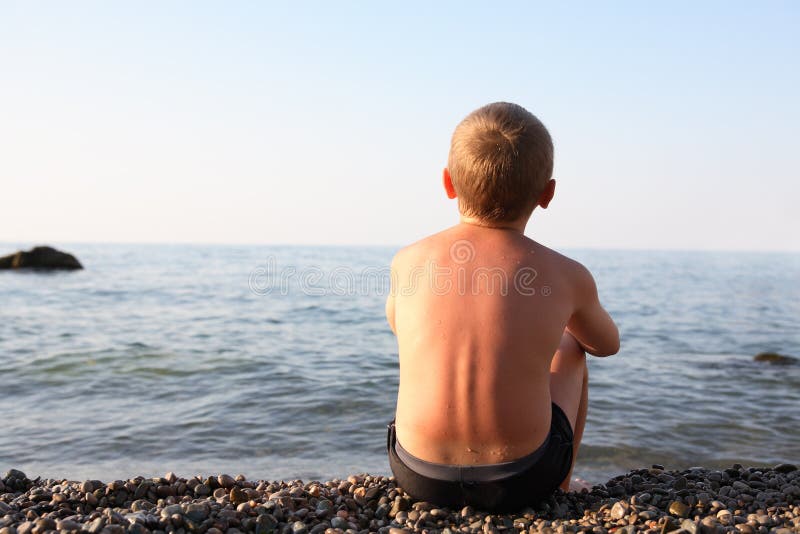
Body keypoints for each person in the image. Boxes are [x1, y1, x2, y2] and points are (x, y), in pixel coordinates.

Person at [384, 102, 620, 512]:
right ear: (547, 194)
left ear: (448, 182)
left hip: (416, 474)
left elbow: (398, 325)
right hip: (521, 481)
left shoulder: (408, 261)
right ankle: (562, 486)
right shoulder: (567, 274)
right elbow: (606, 345)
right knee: (571, 348)